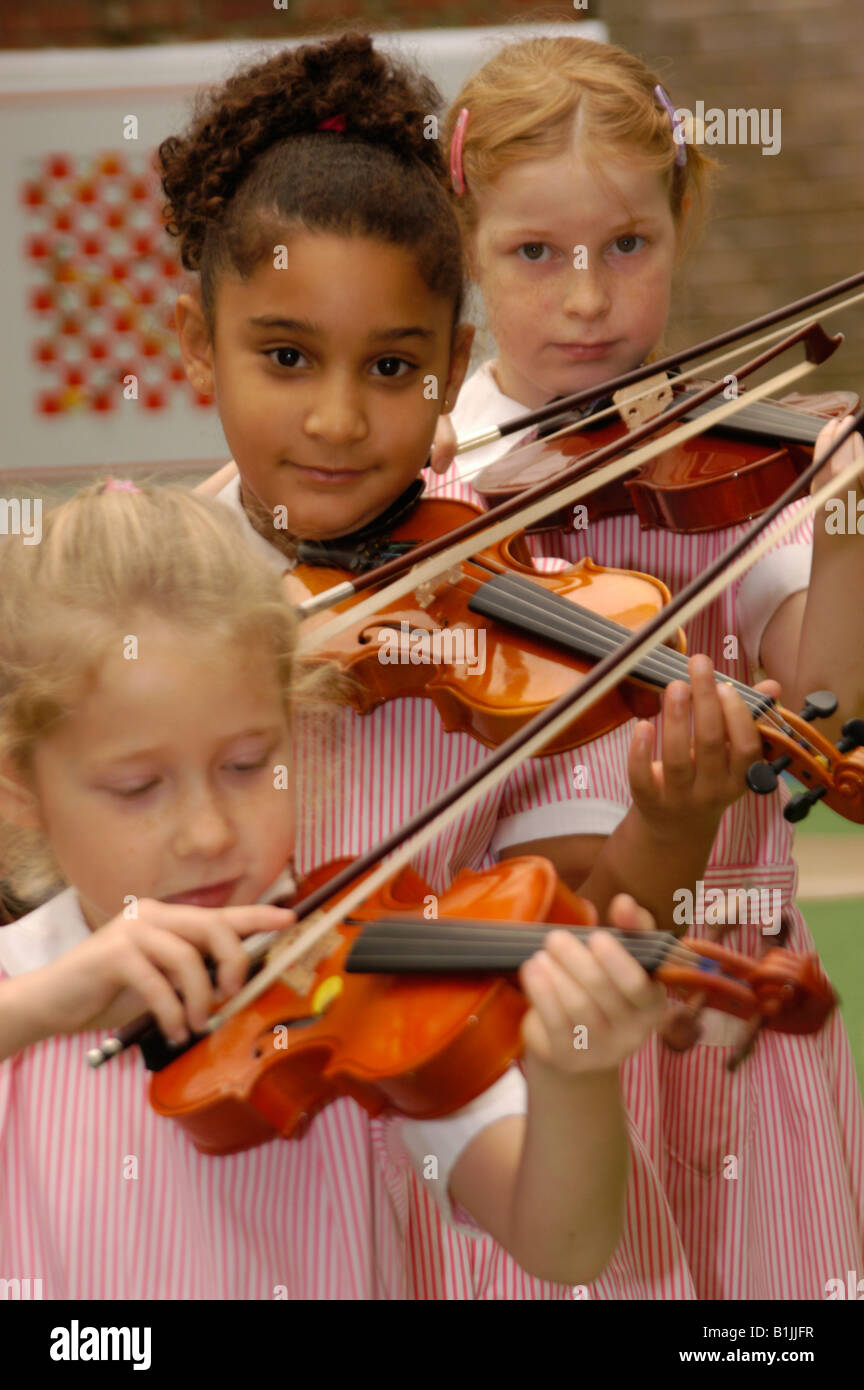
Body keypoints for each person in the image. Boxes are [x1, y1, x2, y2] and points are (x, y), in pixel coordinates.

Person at [166, 32, 788, 1297]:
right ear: (197, 344)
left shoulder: (522, 608)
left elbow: (603, 897)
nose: (339, 420)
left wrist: (673, 819)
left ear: (449, 372)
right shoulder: (157, 570)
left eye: (392, 368)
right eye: (286, 357)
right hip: (188, 1165)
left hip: (450, 1150)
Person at [0, 479, 677, 1298]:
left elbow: (566, 1247)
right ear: (22, 790)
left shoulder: (356, 989)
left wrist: (577, 1075)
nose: (209, 832)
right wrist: (42, 1008)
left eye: (247, 765)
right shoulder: (22, 985)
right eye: (140, 787)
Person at [431, 32, 864, 1298]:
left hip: (737, 1000)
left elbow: (828, 696)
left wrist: (843, 523)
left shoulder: (732, 473)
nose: (588, 297)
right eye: (535, 254)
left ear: (681, 228)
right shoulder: (438, 481)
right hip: (541, 1012)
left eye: (628, 245)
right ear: (464, 251)